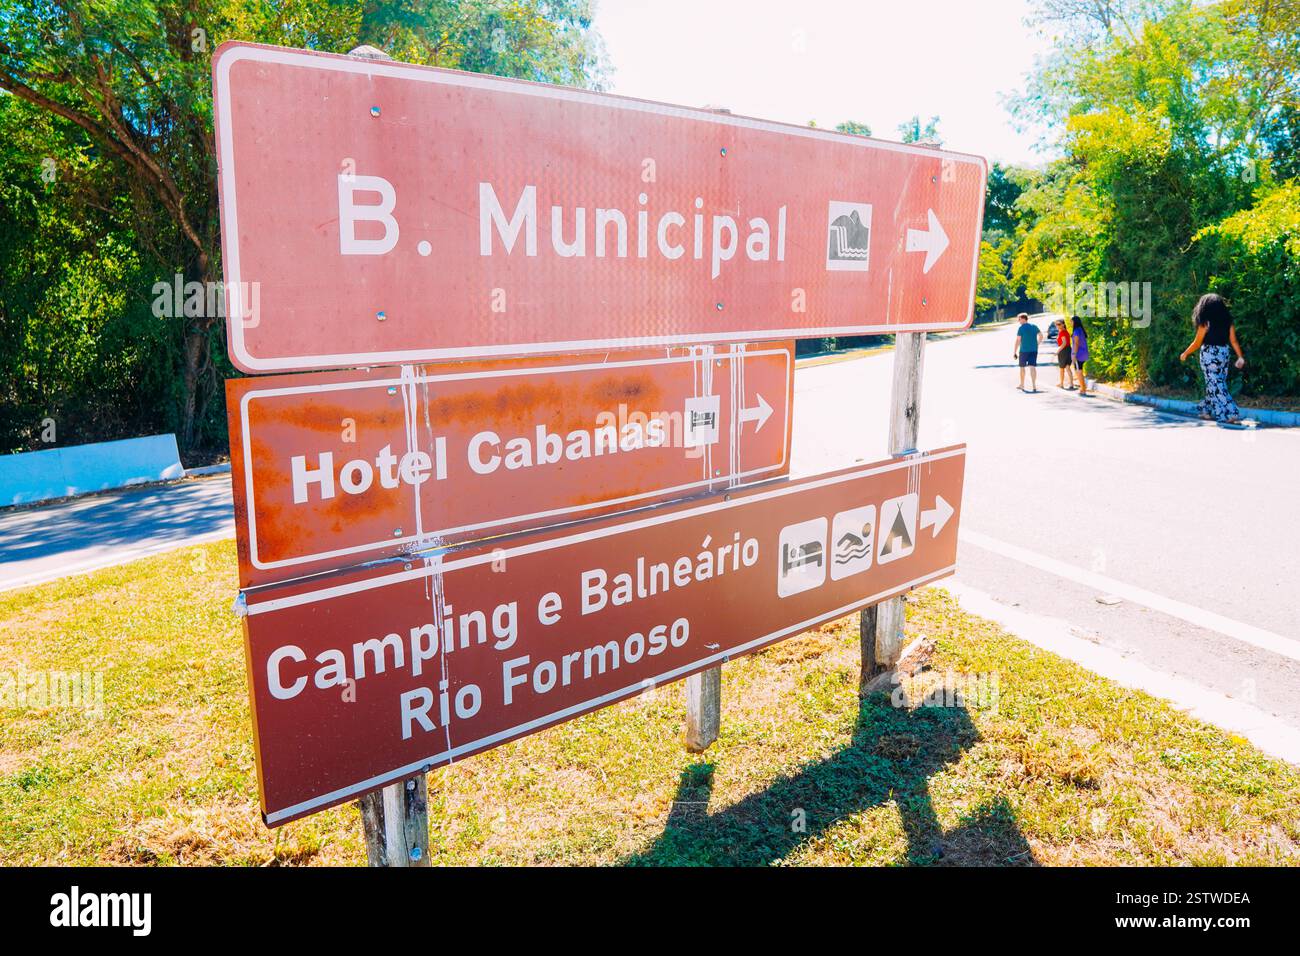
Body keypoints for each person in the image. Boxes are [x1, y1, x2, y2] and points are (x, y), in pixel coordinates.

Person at [1179, 293, 1245, 424]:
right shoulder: (1228, 322)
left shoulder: (1205, 323)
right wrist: (1240, 356)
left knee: (1216, 384)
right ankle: (1205, 410)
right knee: (1215, 383)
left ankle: (1231, 413)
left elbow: (1197, 343)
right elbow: (1234, 341)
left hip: (1209, 354)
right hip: (1224, 354)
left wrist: (1185, 353)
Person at [1013, 312, 1042, 392]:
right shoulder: (1034, 326)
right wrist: (1037, 344)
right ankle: (1034, 386)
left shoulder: (1021, 328)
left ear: (1023, 319)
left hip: (1024, 351)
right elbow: (1041, 336)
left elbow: (1018, 340)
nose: (1019, 321)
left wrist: (1014, 352)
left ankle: (1022, 385)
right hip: (1034, 350)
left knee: (1022, 367)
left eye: (1019, 319)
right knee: (1032, 367)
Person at [1071, 315, 1090, 397]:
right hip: (1084, 353)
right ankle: (1083, 388)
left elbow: (1076, 344)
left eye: (1071, 321)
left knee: (1079, 372)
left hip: (1079, 354)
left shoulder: (1076, 331)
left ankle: (1083, 389)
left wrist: (1073, 354)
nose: (1070, 323)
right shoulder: (1080, 330)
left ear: (1075, 322)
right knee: (1079, 371)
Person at [1054, 318, 1075, 390]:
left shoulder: (1062, 332)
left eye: (1059, 324)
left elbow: (1064, 343)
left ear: (1063, 324)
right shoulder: (1065, 331)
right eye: (1056, 324)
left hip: (1063, 351)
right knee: (1067, 367)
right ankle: (1071, 384)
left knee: (1062, 368)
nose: (1057, 326)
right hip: (1068, 350)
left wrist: (1058, 351)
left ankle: (1062, 384)